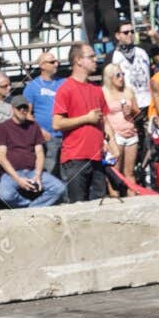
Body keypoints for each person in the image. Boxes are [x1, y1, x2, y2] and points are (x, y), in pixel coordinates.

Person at [52, 41, 108, 201]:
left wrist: (111, 143)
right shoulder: (65, 88)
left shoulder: (97, 89)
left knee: (99, 205)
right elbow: (57, 123)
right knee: (79, 208)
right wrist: (87, 118)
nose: (95, 59)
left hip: (97, 156)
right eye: (91, 56)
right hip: (75, 158)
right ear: (78, 60)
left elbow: (105, 119)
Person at [0, 94, 65, 207]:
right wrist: (18, 179)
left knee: (59, 188)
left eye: (25, 107)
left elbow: (40, 153)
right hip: (11, 173)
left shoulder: (34, 126)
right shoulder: (3, 127)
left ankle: (33, 208)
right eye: (19, 108)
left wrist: (37, 175)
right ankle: (27, 206)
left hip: (32, 170)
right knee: (6, 195)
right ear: (12, 109)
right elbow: (1, 158)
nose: (22, 110)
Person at [101, 60, 139, 185]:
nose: (121, 77)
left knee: (130, 173)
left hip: (131, 133)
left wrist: (131, 111)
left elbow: (137, 112)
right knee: (115, 173)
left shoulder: (128, 91)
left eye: (122, 74)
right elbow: (102, 116)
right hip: (115, 135)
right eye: (118, 75)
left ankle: (134, 200)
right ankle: (116, 200)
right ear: (109, 77)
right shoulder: (103, 93)